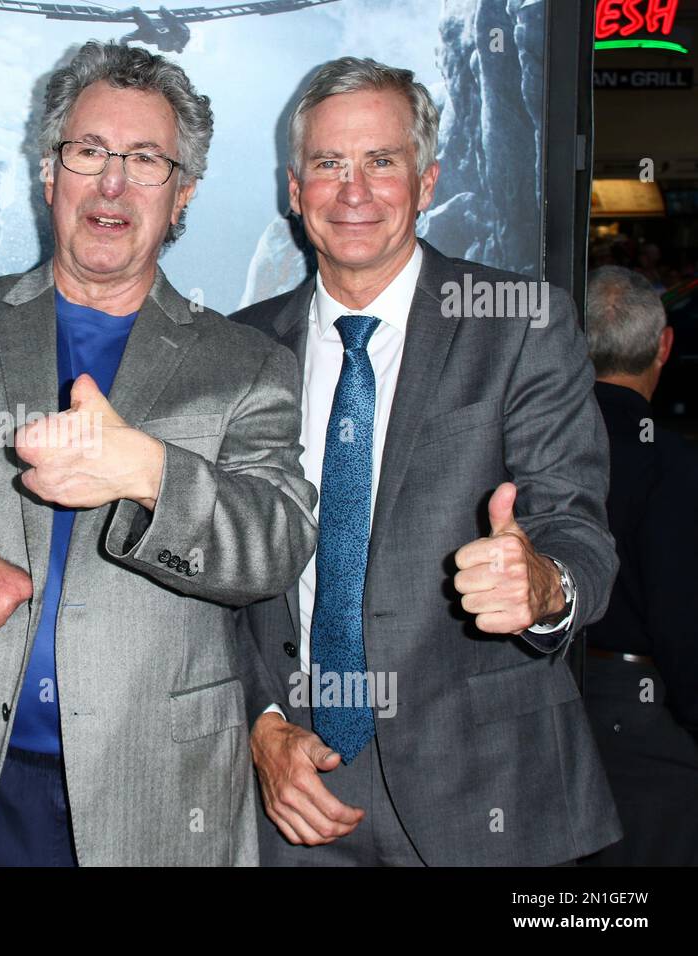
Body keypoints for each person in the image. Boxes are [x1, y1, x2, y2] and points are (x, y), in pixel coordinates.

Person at [0, 40, 317, 866]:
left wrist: (149, 474)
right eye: (89, 152)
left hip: (159, 785)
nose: (113, 183)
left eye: (147, 160)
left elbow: (275, 541)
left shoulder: (250, 363)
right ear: (50, 174)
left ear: (184, 194)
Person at [232, 57, 621, 866]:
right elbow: (218, 578)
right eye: (330, 164)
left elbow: (579, 534)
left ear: (428, 180)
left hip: (489, 791)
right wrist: (263, 727)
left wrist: (545, 584)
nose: (354, 191)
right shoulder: (237, 349)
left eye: (382, 161)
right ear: (295, 188)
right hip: (295, 798)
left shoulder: (521, 326)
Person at [581, 265, 698, 866]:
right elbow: (681, 613)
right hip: (645, 717)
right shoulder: (673, 463)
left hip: (552, 703)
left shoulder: (535, 438)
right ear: (664, 345)